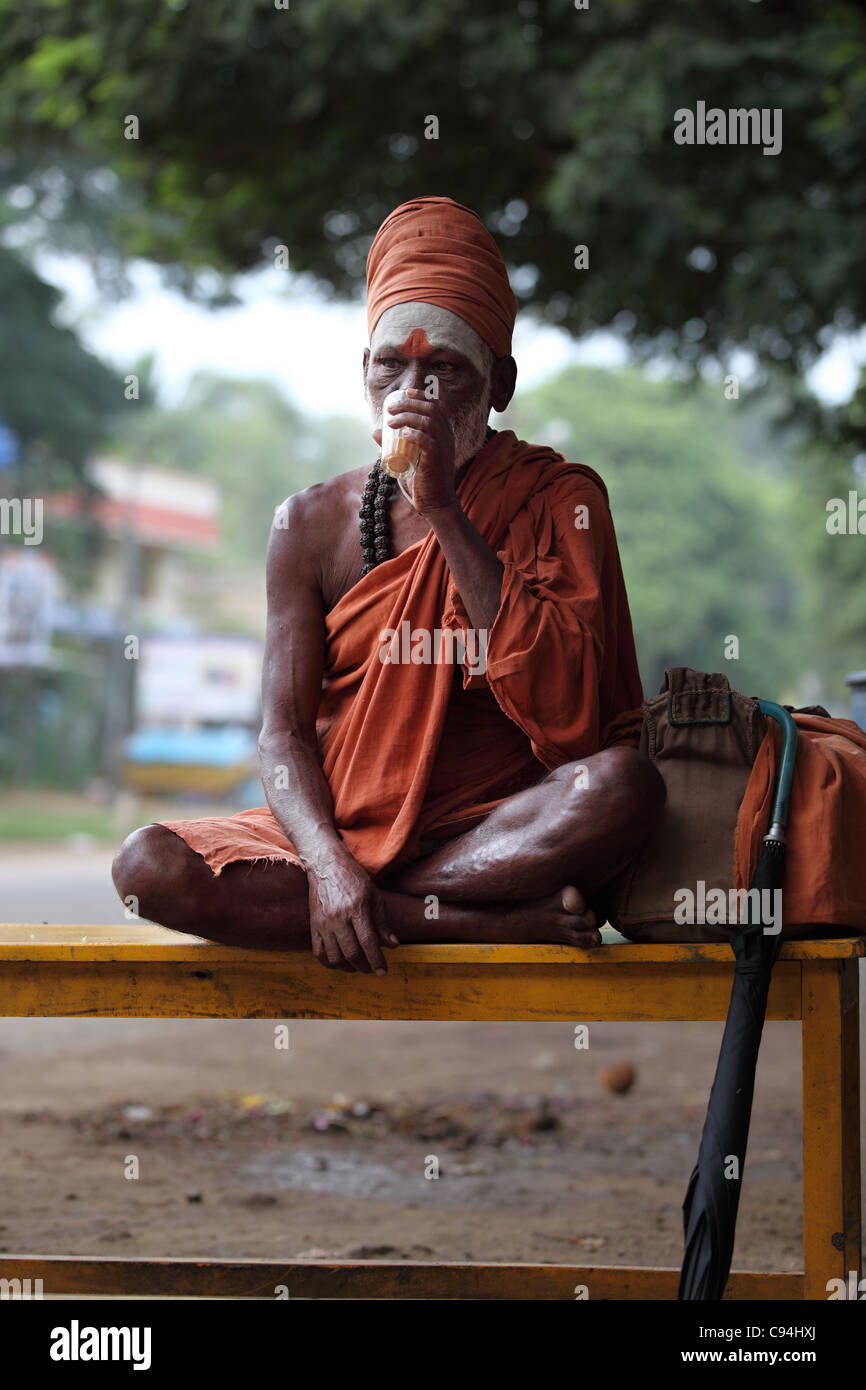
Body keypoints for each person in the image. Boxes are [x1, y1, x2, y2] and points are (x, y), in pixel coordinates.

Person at [112, 195, 665, 974]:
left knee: (621, 788)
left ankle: (398, 900)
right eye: (391, 365)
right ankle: (465, 922)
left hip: (497, 831)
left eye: (445, 369)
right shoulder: (307, 523)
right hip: (342, 829)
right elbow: (282, 736)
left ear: (499, 384)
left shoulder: (559, 501)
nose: (415, 391)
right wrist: (329, 863)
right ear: (363, 376)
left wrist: (444, 511)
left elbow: (574, 719)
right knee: (148, 869)